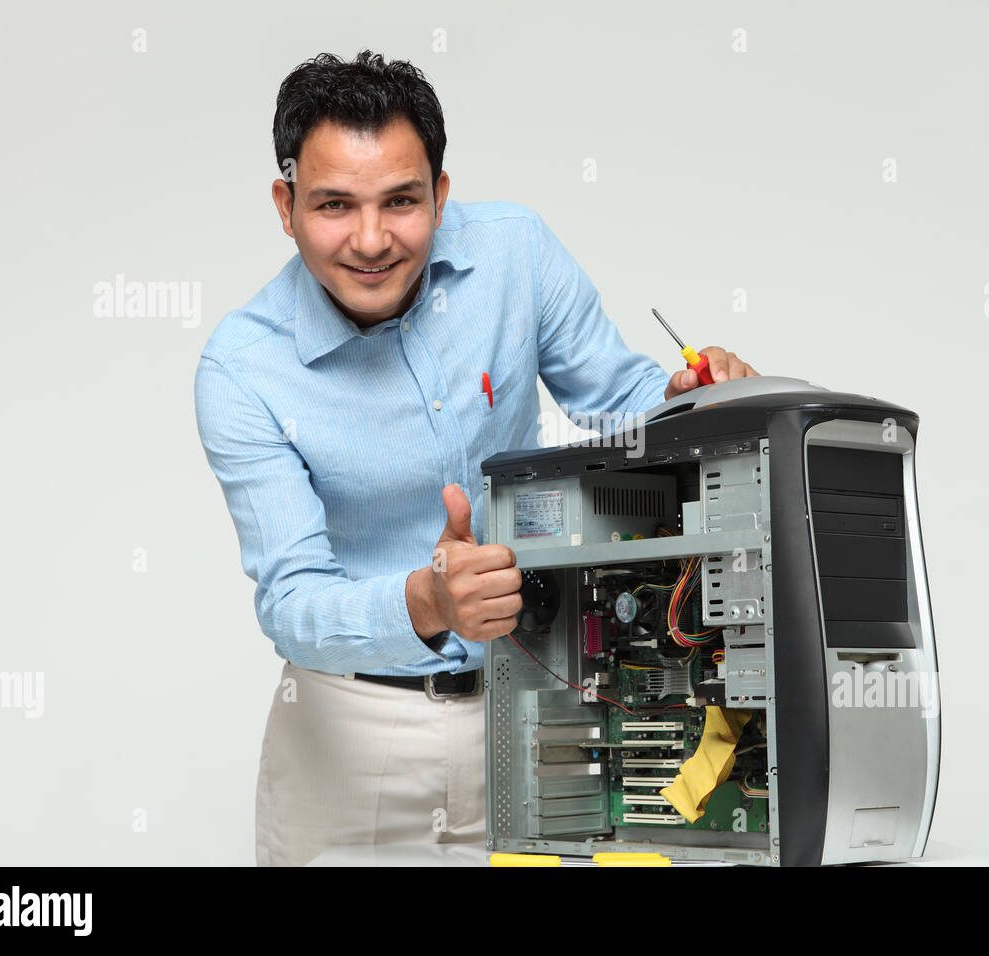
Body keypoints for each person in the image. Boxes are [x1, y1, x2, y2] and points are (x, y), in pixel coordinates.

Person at [194, 50, 759, 866]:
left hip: (539, 714)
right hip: (349, 744)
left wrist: (694, 399)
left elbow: (618, 405)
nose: (371, 239)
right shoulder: (242, 370)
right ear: (285, 206)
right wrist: (425, 602)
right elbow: (292, 603)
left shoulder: (515, 253)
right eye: (333, 206)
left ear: (441, 193)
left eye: (401, 201)